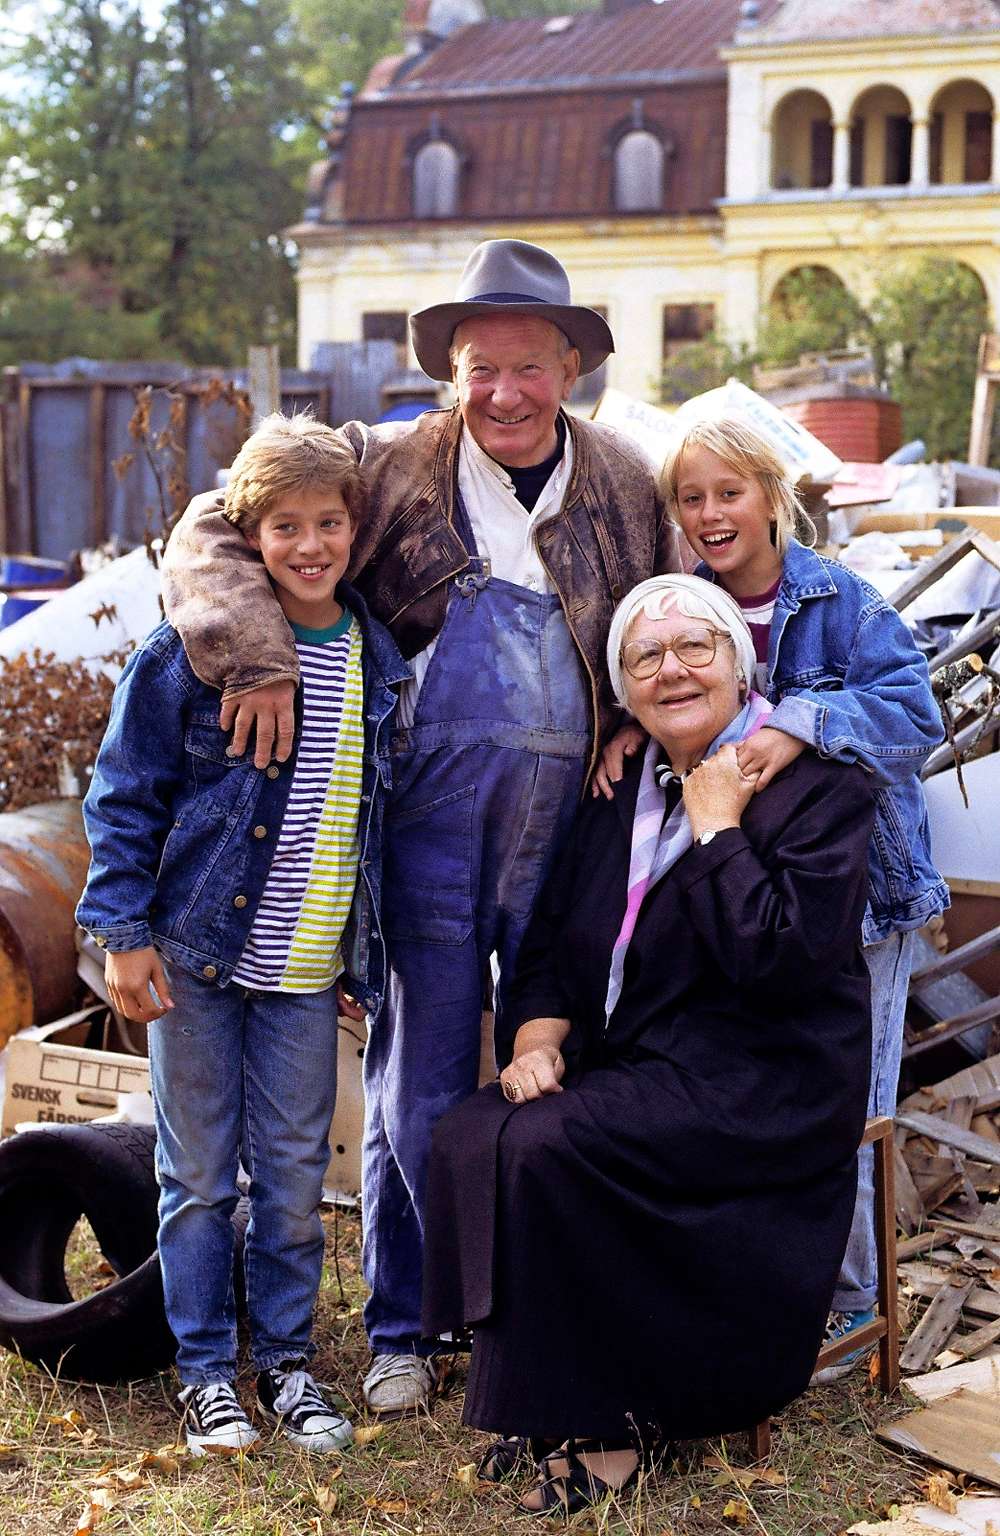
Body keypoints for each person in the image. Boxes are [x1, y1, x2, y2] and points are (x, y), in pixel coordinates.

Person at [159, 239, 682, 1414]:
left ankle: (536, 1312)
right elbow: (211, 523)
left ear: (572, 368)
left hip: (568, 832)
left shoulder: (624, 484)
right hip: (427, 825)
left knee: (565, 1064)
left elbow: (665, 616)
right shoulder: (385, 462)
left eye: (528, 368)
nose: (503, 393)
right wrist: (250, 654)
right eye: (480, 367)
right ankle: (406, 1325)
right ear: (451, 366)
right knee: (421, 1084)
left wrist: (629, 723)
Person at [421, 574, 876, 1515]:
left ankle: (612, 1425)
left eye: (695, 649)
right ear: (623, 692)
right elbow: (548, 936)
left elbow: (781, 962)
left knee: (550, 1149)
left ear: (740, 663)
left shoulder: (820, 789)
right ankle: (546, 1402)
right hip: (641, 1060)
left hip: (767, 1074)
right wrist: (539, 1037)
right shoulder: (619, 782)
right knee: (471, 1130)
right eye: (645, 657)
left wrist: (717, 830)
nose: (672, 670)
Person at [76, 415, 409, 1455]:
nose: (309, 547)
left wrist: (360, 955)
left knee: (297, 1184)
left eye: (328, 524)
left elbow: (368, 825)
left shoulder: (378, 658)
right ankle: (208, 1372)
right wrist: (122, 933)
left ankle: (290, 1365)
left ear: (356, 530)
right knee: (202, 1181)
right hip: (196, 960)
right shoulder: (192, 654)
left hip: (305, 976)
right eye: (284, 528)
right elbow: (124, 794)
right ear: (248, 533)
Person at [603, 415, 947, 1378]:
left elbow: (917, 711)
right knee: (761, 1095)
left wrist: (802, 720)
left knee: (850, 1103)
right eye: (691, 499)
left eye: (729, 492)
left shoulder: (838, 600)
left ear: (770, 493)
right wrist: (631, 727)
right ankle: (769, 1292)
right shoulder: (689, 608)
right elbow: (674, 692)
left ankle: (849, 1307)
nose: (711, 515)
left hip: (860, 898)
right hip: (743, 903)